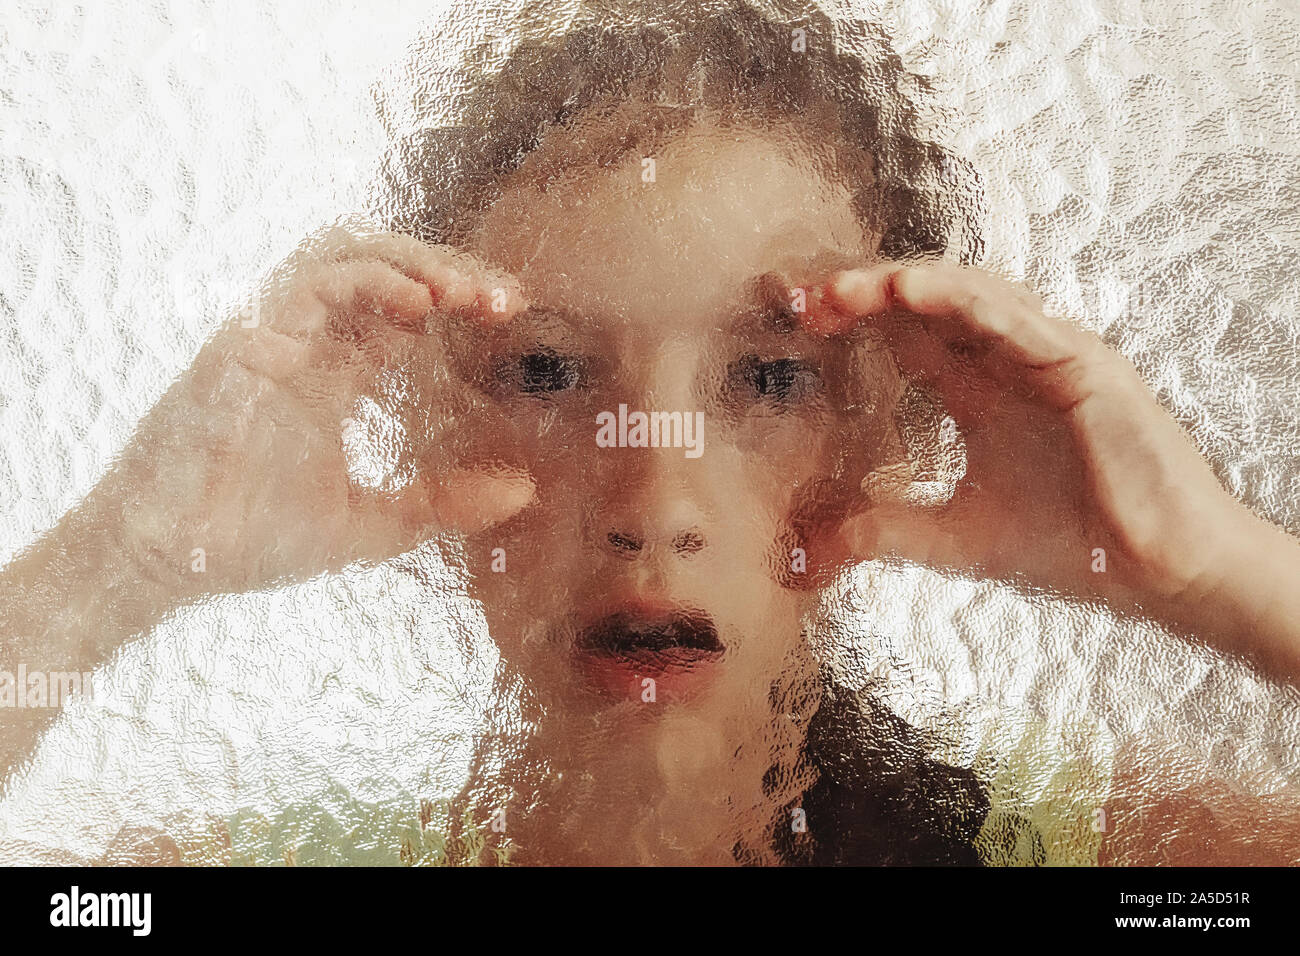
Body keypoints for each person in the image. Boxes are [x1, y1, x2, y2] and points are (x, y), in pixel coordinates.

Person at [3, 0, 1299, 865]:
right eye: (549, 368)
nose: (654, 495)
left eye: (772, 381)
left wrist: (1208, 567)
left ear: (891, 433)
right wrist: (120, 559)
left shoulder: (1119, 858)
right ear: (427, 413)